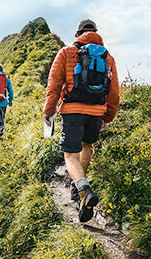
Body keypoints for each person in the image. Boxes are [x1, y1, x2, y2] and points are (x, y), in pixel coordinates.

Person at [43, 19, 120, 222]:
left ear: (78, 34)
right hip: (96, 112)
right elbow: (114, 91)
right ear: (96, 33)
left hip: (72, 110)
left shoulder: (67, 53)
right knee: (87, 146)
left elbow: (54, 84)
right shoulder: (108, 58)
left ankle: (84, 192)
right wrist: (108, 115)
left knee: (70, 156)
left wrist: (48, 111)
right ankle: (77, 188)